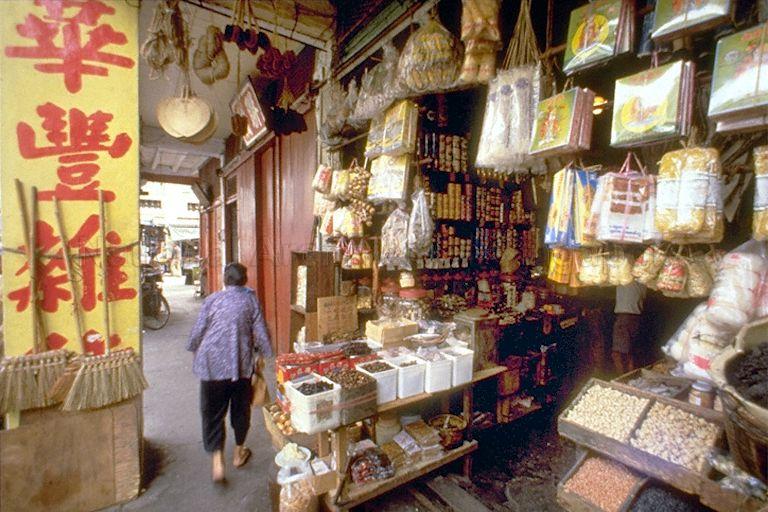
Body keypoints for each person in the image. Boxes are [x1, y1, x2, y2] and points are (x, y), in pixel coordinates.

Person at [187, 262, 273, 483]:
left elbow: (198, 331)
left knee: (212, 413)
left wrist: (193, 346)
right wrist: (264, 353)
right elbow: (261, 331)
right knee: (240, 410)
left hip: (211, 366)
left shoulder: (212, 300)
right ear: (245, 280)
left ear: (225, 280)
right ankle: (238, 453)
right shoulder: (250, 300)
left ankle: (217, 462)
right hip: (239, 366)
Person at [612, 281, 646, 374]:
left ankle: (622, 378)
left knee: (617, 354)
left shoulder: (626, 278)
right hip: (635, 317)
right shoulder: (642, 282)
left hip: (624, 317)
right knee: (630, 352)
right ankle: (630, 377)